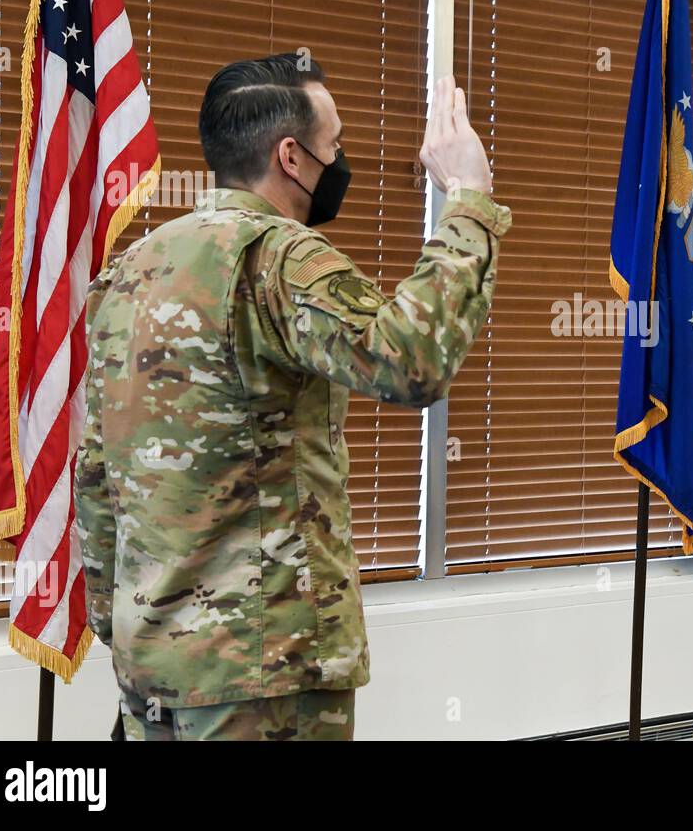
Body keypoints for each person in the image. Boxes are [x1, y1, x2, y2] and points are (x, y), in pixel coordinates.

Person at [72, 53, 509, 740]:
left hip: (154, 668)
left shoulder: (131, 269)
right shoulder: (278, 258)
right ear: (292, 157)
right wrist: (469, 202)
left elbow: (95, 470)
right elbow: (411, 361)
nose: (340, 163)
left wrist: (118, 620)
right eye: (334, 146)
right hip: (262, 673)